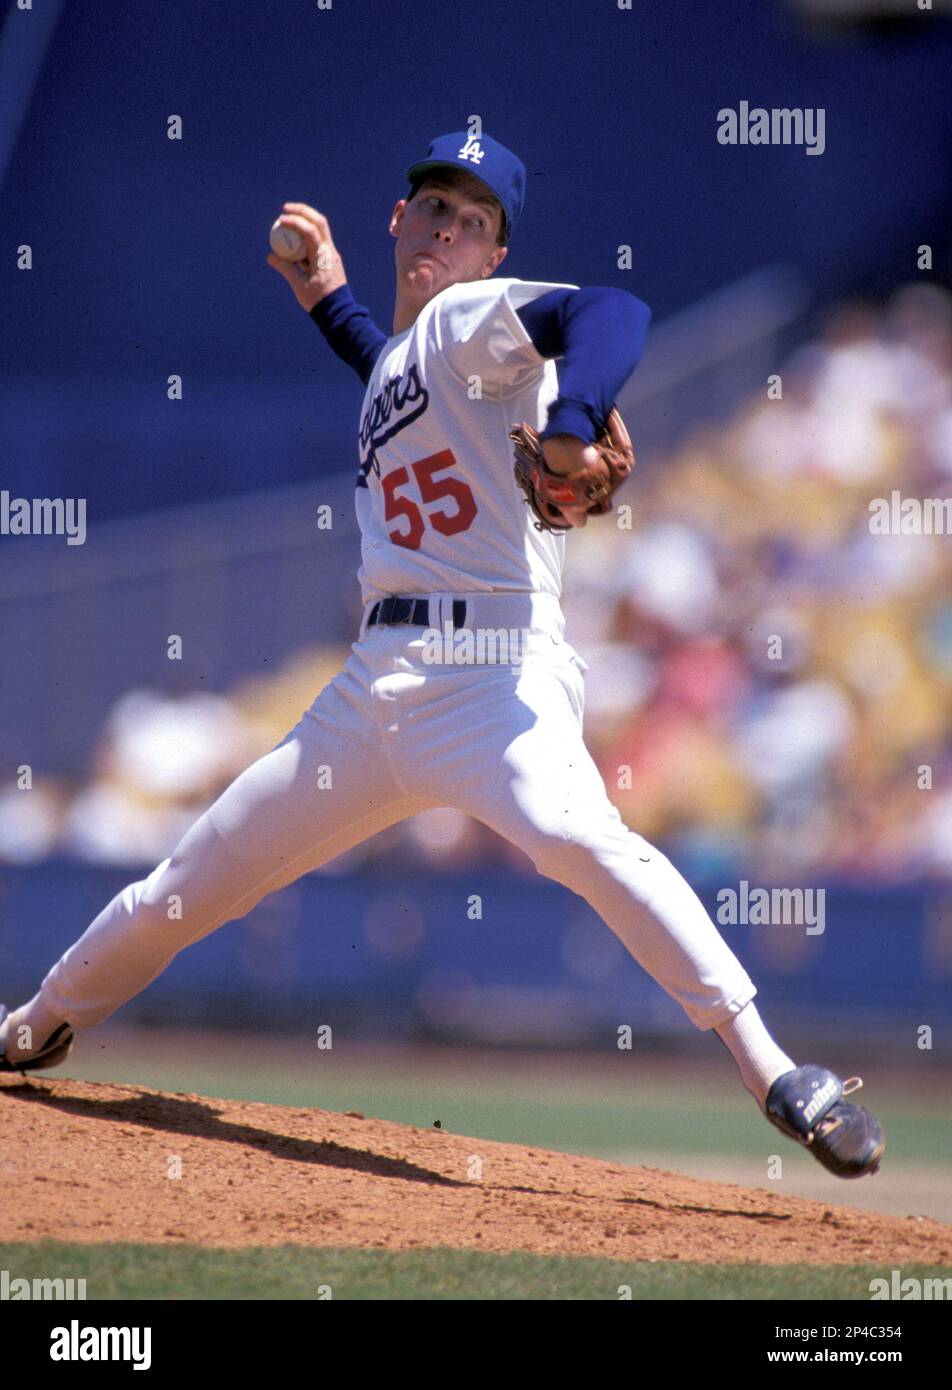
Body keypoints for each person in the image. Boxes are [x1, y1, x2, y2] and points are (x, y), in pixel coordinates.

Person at [1, 132, 884, 1180]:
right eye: (432, 207)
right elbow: (385, 365)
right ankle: (35, 1024)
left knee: (577, 836)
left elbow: (614, 314)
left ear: (493, 251)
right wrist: (326, 297)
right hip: (371, 691)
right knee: (192, 882)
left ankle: (780, 1074)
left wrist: (573, 415)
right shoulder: (411, 355)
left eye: (472, 222)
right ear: (397, 218)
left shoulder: (477, 318)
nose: (446, 230)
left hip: (491, 676)